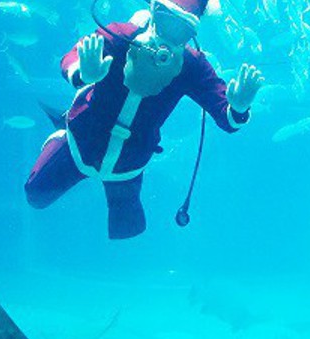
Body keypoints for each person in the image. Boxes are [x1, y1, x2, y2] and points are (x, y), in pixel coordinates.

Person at [25, 0, 264, 240]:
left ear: (193, 31)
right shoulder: (121, 35)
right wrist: (82, 73)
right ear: (154, 11)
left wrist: (238, 108)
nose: (169, 37)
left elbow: (227, 118)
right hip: (80, 142)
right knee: (35, 194)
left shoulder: (192, 65)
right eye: (166, 20)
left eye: (181, 30)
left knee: (129, 230)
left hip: (128, 165)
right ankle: (58, 137)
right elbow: (74, 56)